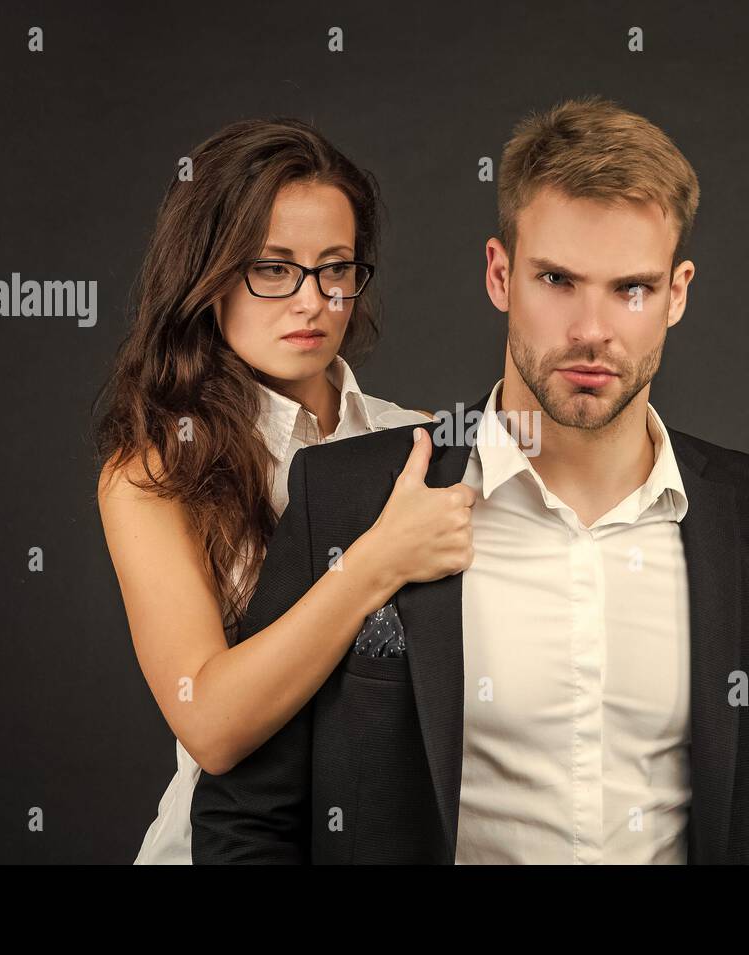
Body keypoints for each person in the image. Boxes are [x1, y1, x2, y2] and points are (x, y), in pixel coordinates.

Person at [190, 96, 749, 864]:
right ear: (501, 274)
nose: (591, 330)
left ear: (677, 293)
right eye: (558, 280)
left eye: (630, 288)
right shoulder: (350, 495)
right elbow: (245, 821)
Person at [93, 118, 475, 864]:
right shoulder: (154, 473)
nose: (313, 301)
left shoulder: (423, 441)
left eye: (336, 268)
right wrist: (375, 564)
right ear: (207, 276)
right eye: (273, 268)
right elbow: (211, 722)